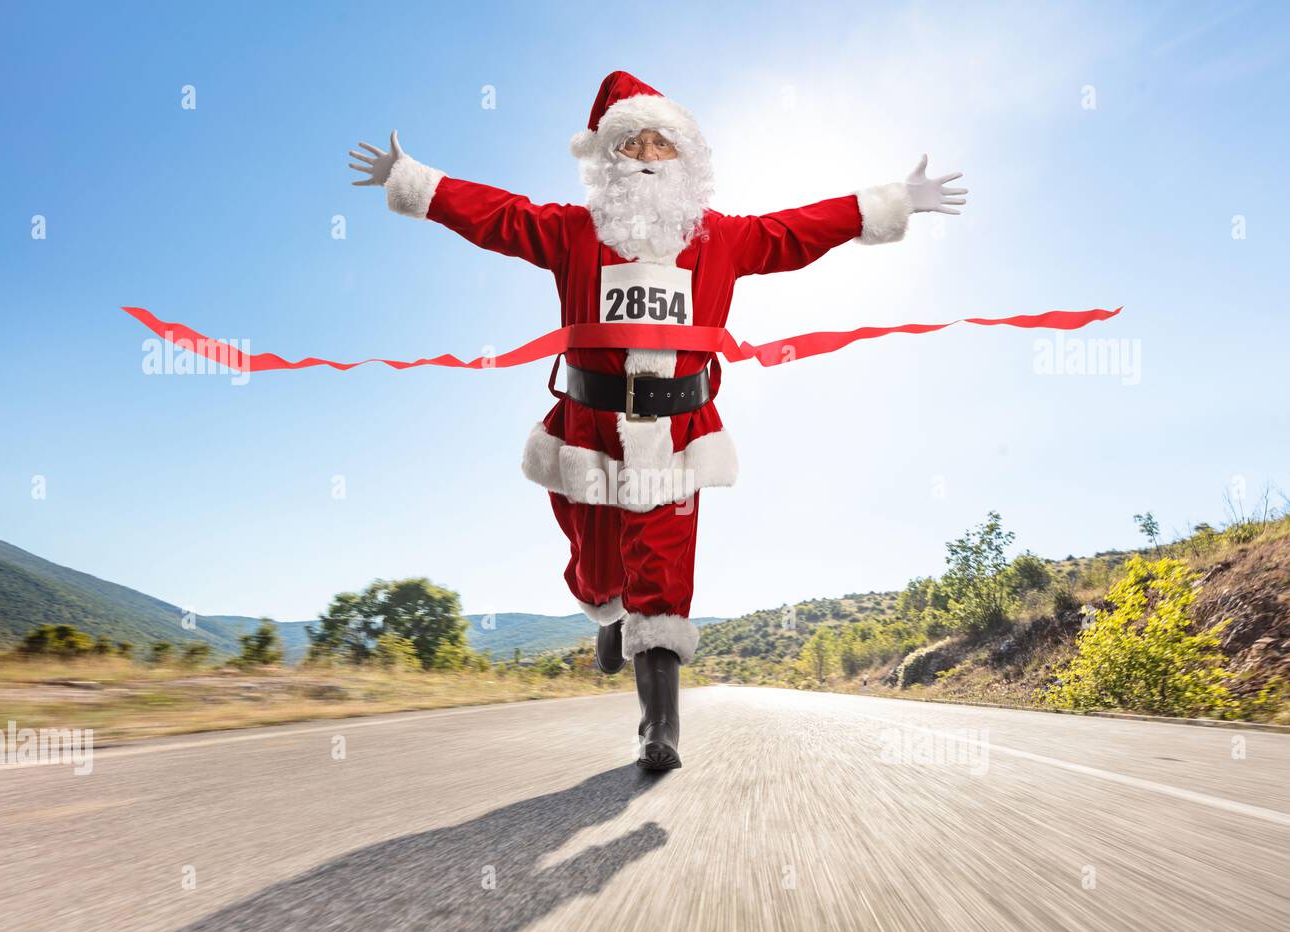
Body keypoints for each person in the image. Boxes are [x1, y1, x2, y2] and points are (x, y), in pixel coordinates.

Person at [349, 71, 966, 770]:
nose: (645, 154)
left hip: (675, 436)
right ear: (607, 160)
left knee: (663, 576)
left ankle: (658, 727)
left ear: (685, 158)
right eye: (630, 143)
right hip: (587, 428)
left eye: (660, 142)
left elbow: (797, 231)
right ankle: (607, 612)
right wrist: (415, 181)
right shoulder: (572, 232)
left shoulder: (722, 240)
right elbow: (500, 216)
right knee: (596, 567)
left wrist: (890, 203)